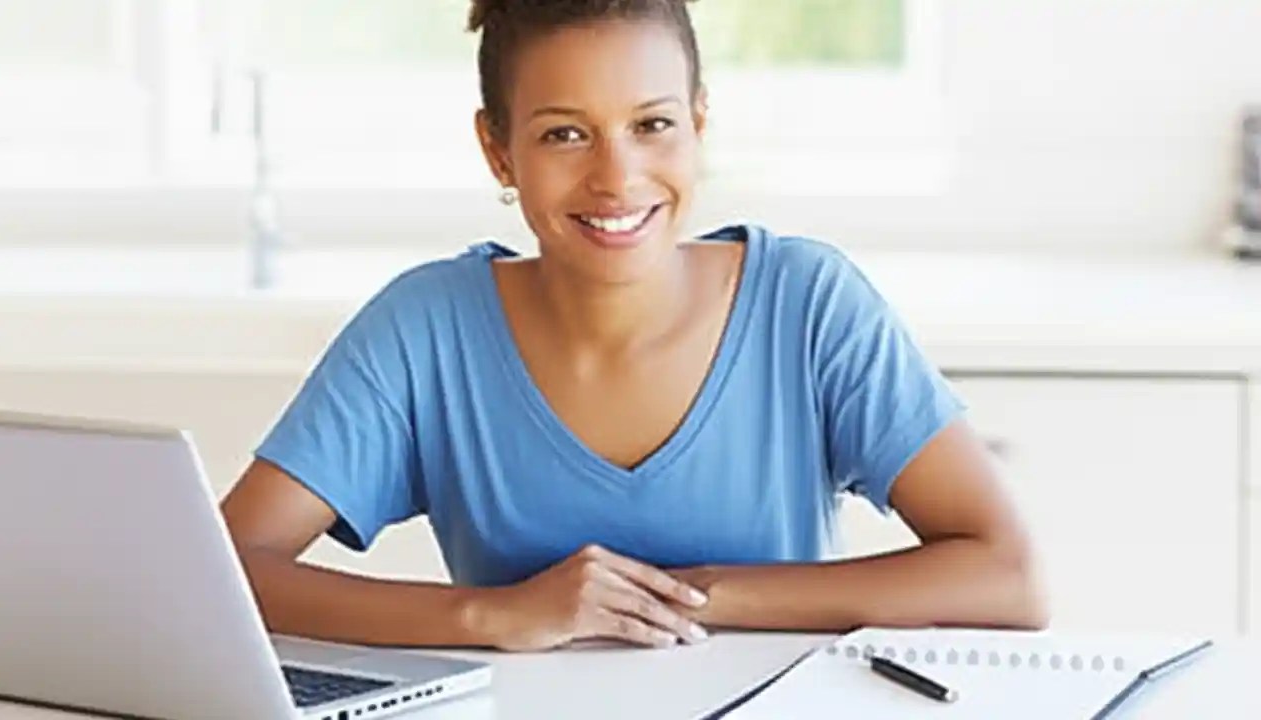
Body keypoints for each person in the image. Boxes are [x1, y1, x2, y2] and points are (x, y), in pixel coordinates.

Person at [220, 0, 1048, 653]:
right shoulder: (425, 328)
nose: (616, 177)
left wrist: (696, 594)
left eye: (651, 125)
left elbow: (1008, 575)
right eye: (564, 134)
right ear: (498, 151)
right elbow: (219, 573)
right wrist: (497, 615)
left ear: (698, 124)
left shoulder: (808, 303)